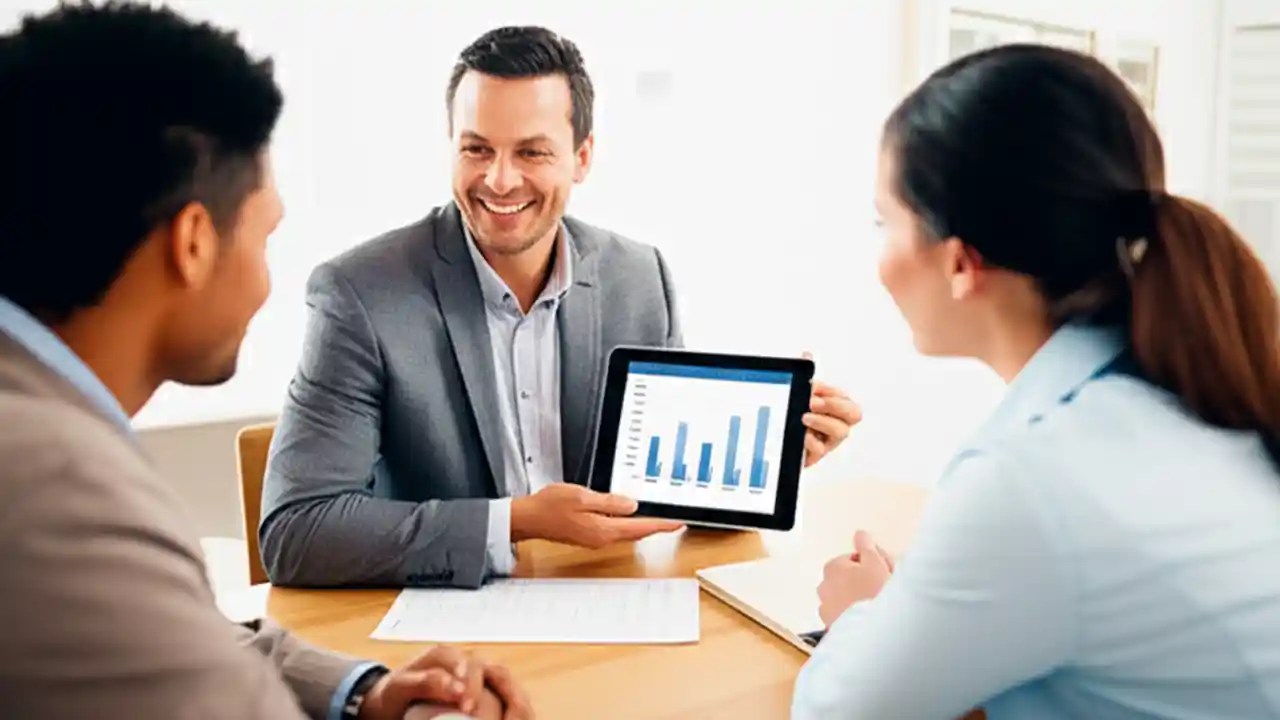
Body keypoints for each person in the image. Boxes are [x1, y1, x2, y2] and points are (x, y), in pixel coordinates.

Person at [0, 5, 531, 719]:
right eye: (265, 236)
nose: (265, 282)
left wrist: (361, 693)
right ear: (193, 243)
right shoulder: (59, 488)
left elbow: (188, 629)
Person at [260, 25, 862, 588]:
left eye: (532, 153)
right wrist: (517, 521)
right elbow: (296, 531)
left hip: (600, 598)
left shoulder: (638, 278)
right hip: (441, 623)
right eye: (476, 149)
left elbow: (664, 500)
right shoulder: (359, 294)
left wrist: (765, 468)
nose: (499, 180)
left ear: (582, 157)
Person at [791, 43, 1280, 719]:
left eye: (886, 222)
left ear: (960, 264)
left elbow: (842, 712)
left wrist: (860, 615)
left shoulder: (1031, 475)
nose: (879, 259)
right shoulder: (1185, 391)